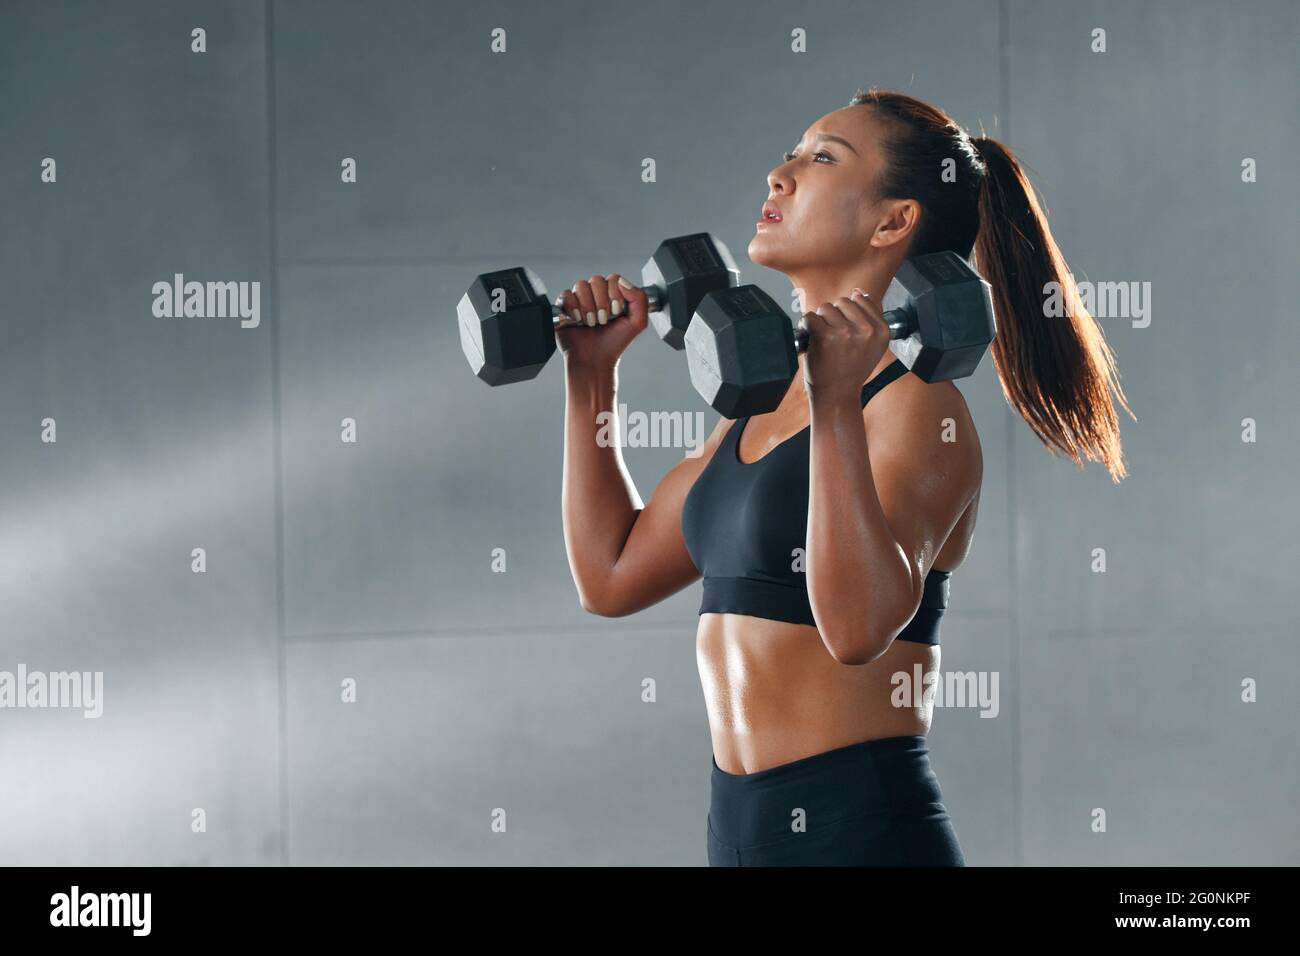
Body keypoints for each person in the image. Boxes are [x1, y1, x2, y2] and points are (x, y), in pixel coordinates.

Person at [552, 88, 1132, 866]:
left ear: (893, 221)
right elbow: (611, 576)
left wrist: (835, 402)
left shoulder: (920, 409)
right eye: (794, 151)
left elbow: (857, 628)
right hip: (737, 834)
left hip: (859, 835)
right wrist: (592, 381)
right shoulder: (753, 406)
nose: (779, 174)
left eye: (822, 158)